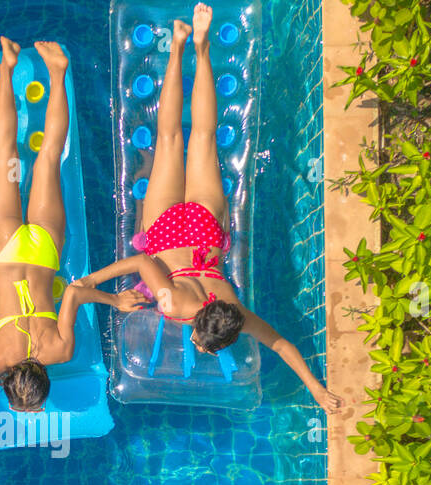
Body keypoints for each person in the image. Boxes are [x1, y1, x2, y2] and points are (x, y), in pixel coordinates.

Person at [73, 4, 343, 413]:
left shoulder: (234, 311)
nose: (202, 349)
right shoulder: (175, 305)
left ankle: (199, 46)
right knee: (166, 139)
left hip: (204, 231)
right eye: (204, 345)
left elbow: (282, 344)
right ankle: (179, 46)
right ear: (199, 327)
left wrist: (317, 390)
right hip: (166, 230)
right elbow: (143, 263)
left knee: (202, 137)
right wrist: (92, 282)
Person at [0, 38, 145, 456]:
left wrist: (112, 300)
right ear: (10, 379)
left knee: (49, 157)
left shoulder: (59, 350)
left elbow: (73, 291)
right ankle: (7, 66)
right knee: (6, 158)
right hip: (6, 246)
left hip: (45, 248)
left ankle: (56, 71)